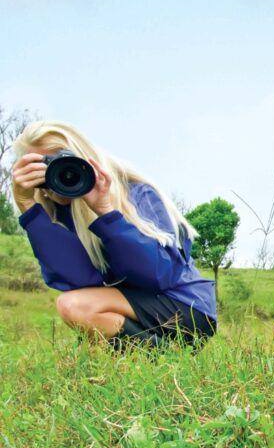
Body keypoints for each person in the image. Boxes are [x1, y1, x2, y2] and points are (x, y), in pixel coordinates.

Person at [10, 121, 216, 347]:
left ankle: (166, 360)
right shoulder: (55, 215)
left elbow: (158, 274)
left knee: (73, 306)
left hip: (185, 307)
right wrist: (28, 206)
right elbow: (78, 280)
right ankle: (161, 359)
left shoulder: (136, 193)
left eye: (64, 162)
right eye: (43, 167)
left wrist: (105, 212)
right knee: (79, 313)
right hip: (135, 309)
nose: (60, 174)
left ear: (84, 159)